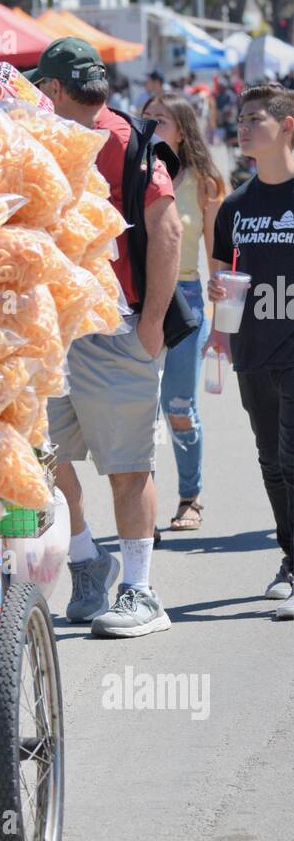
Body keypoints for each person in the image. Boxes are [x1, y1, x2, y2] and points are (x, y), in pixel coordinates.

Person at [25, 36, 183, 637]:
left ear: (57, 89)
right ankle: (90, 562)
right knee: (45, 456)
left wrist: (149, 327)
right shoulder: (51, 137)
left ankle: (142, 591)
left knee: (125, 463)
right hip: (56, 327)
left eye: (44, 87)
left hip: (115, 327)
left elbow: (167, 233)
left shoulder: (118, 140)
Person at [209, 82, 294, 619]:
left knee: (291, 457)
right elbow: (221, 275)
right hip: (252, 346)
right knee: (270, 459)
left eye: (255, 118)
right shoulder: (235, 207)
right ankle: (288, 556)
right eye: (240, 118)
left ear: (287, 126)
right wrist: (219, 299)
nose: (242, 126)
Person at [142, 93, 226, 531]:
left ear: (183, 128)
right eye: (148, 116)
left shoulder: (204, 182)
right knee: (140, 410)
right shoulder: (134, 171)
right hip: (139, 300)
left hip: (188, 298)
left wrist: (222, 323)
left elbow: (218, 257)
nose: (153, 124)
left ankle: (190, 497)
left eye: (163, 118)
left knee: (178, 405)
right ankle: (145, 508)